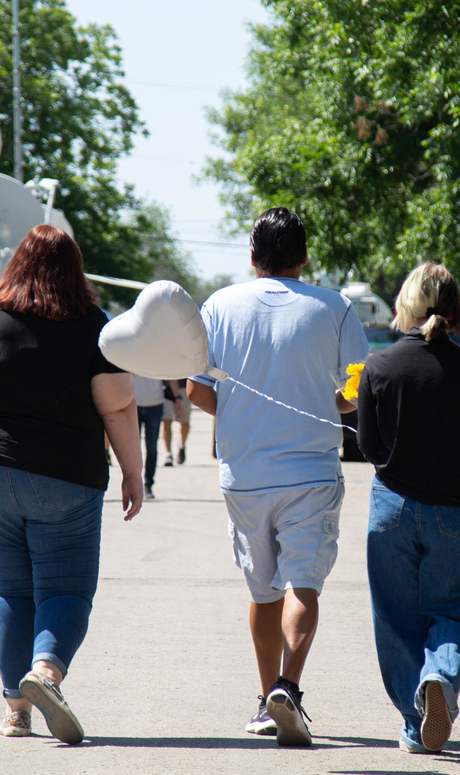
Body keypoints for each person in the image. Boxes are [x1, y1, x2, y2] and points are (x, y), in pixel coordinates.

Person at [0, 224, 144, 744]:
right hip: (66, 477)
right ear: (75, 269)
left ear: (16, 263)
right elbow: (118, 404)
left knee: (12, 588)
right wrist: (133, 473)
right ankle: (45, 675)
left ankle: (15, 712)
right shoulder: (93, 328)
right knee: (65, 587)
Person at [187, 207, 370, 747]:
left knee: (263, 591)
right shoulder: (335, 308)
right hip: (311, 471)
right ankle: (289, 685)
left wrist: (246, 413)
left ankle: (268, 695)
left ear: (252, 257)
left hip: (243, 475)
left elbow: (196, 389)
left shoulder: (219, 305)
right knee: (302, 583)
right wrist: (318, 403)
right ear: (304, 257)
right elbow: (359, 390)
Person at [355, 263, 460, 754]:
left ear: (407, 305)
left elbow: (369, 449)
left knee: (394, 617)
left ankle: (415, 724)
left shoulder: (379, 366)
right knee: (452, 607)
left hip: (390, 508)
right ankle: (440, 675)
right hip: (454, 511)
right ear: (454, 310)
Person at [132, 375, 172, 497]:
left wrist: (177, 398)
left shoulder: (160, 356)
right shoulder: (131, 356)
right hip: (134, 403)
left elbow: (169, 375)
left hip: (155, 403)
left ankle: (148, 484)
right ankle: (134, 483)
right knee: (133, 448)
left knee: (152, 447)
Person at [162, 378, 190, 466]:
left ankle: (182, 446)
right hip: (166, 387)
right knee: (166, 421)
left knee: (185, 423)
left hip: (184, 387)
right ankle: (168, 454)